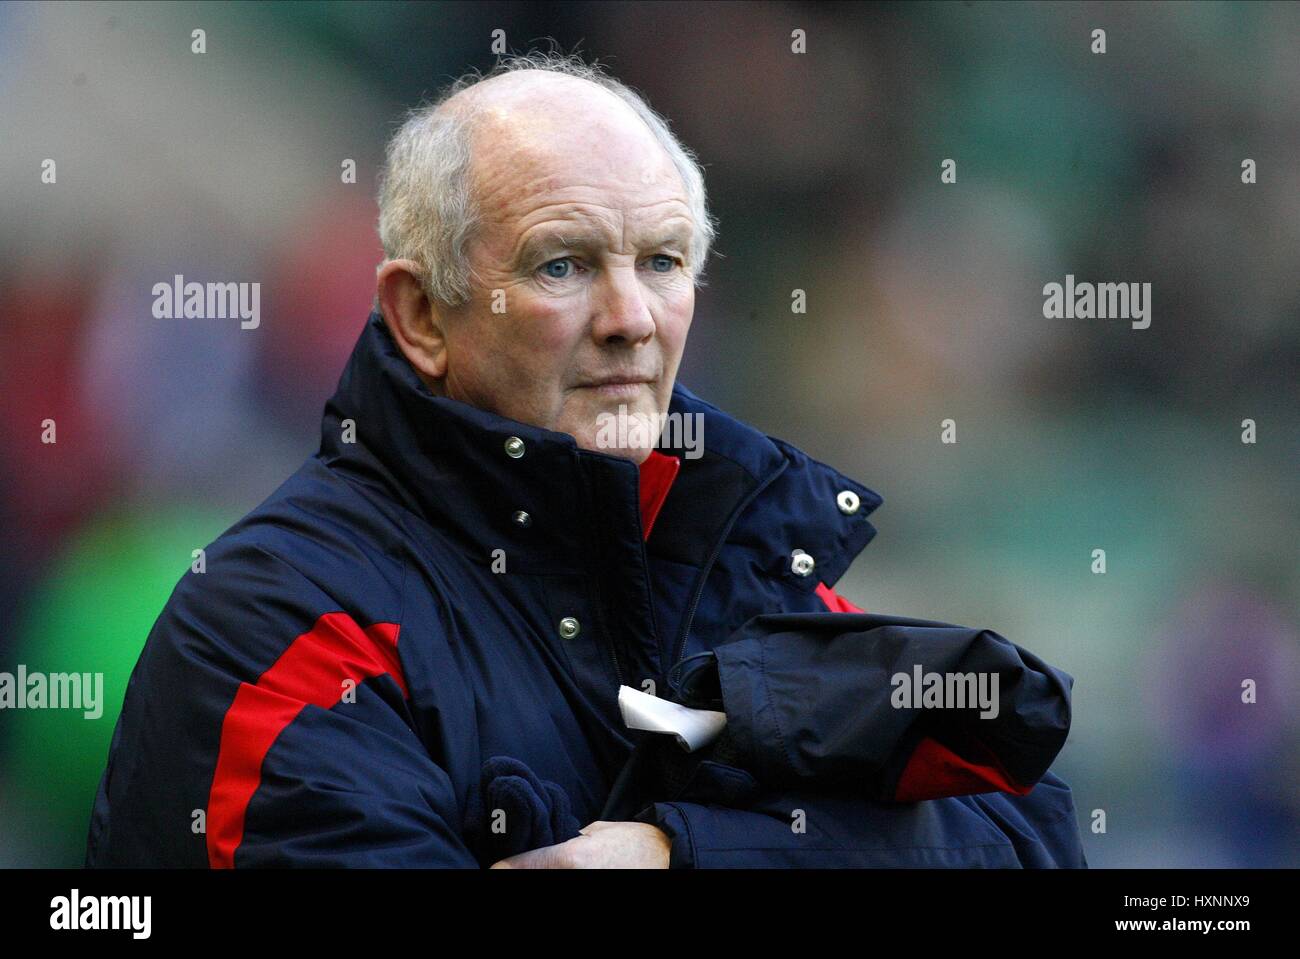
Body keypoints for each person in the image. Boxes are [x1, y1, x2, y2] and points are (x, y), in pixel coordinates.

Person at [85, 51, 1086, 868]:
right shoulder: (277, 618)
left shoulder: (737, 555)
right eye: (561, 264)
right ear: (420, 314)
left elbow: (1031, 844)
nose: (630, 320)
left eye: (661, 262)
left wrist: (676, 854)